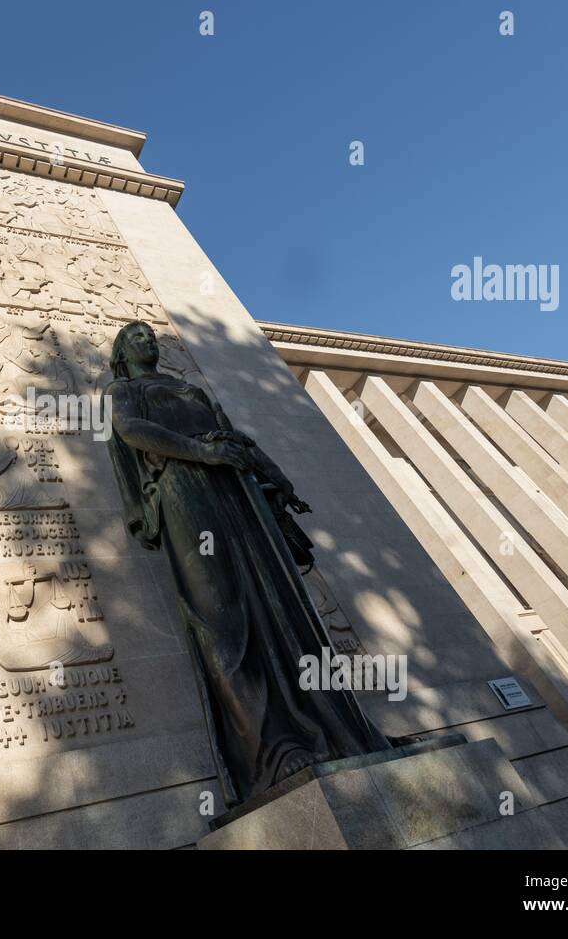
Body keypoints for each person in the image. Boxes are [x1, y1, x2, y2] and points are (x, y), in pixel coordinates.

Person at [104, 321, 389, 802]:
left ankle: (333, 730)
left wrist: (276, 479)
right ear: (121, 351)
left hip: (237, 486)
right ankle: (271, 750)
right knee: (221, 613)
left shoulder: (191, 389)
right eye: (136, 336)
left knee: (279, 597)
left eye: (151, 334)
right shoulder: (123, 390)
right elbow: (132, 431)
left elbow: (240, 439)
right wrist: (201, 451)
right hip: (184, 486)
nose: (148, 340)